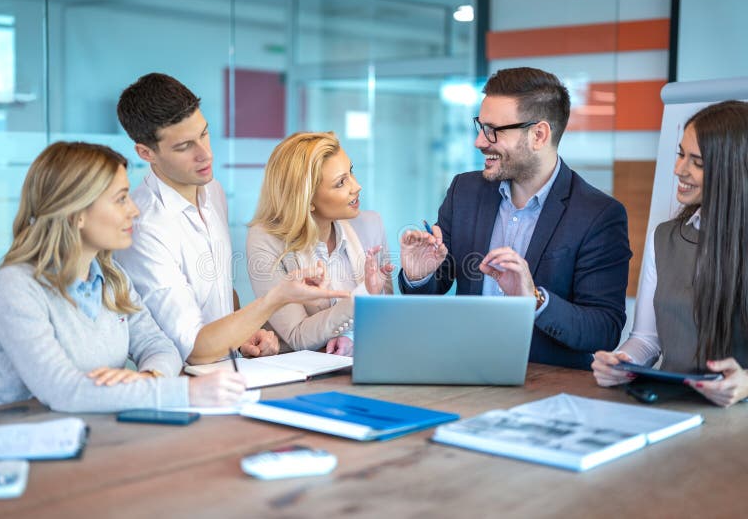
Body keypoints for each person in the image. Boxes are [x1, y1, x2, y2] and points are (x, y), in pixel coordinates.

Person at [0, 141, 248, 412]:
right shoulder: (14, 286)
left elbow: (160, 348)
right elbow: (64, 392)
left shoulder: (112, 278)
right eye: (121, 199)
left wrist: (147, 378)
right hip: (20, 440)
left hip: (102, 433)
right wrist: (187, 392)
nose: (134, 210)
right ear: (76, 214)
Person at [399, 67, 631, 370]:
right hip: (461, 372)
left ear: (538, 135)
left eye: (494, 130)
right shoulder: (464, 191)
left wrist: (534, 299)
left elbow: (604, 329)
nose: (480, 142)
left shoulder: (598, 215)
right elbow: (437, 285)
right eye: (480, 127)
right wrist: (420, 275)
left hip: (545, 387)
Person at [114, 73, 348, 365]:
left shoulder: (212, 191)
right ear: (146, 153)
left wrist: (242, 335)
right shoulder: (144, 226)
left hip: (230, 374)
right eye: (184, 146)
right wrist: (274, 299)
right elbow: (194, 349)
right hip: (181, 386)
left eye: (204, 134)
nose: (205, 154)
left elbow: (218, 294)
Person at [592, 100, 748, 407]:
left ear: (733, 168)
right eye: (680, 155)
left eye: (697, 162)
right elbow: (648, 340)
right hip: (672, 410)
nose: (679, 169)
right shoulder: (664, 238)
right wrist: (623, 362)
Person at [246, 131, 393, 354]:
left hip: (364, 364)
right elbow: (297, 335)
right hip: (301, 378)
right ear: (308, 200)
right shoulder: (266, 240)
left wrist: (351, 338)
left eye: (350, 172)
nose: (357, 186)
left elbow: (385, 320)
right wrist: (361, 297)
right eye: (340, 183)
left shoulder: (371, 225)